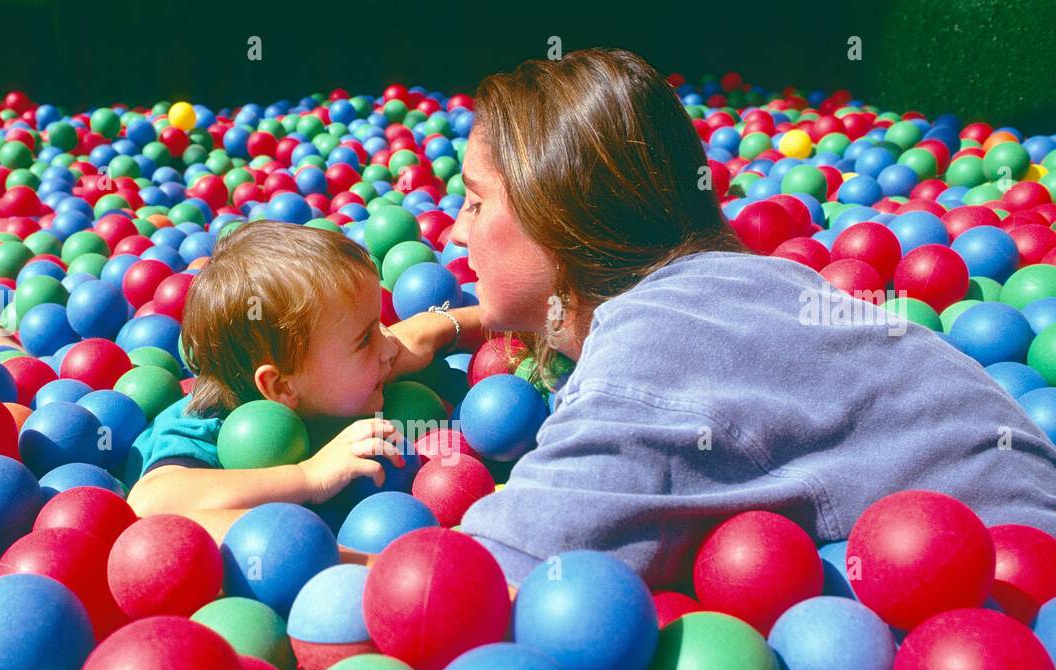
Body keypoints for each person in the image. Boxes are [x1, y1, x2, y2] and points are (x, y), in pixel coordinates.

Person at [448, 47, 1056, 587]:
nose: (454, 232)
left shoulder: (648, 364)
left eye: (475, 203)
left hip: (1011, 600)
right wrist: (448, 325)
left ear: (561, 215)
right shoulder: (749, 282)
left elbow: (471, 586)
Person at [124, 220, 484, 515]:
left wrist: (479, 321)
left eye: (380, 326)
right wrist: (309, 476)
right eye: (364, 339)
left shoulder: (355, 367)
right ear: (281, 388)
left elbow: (423, 334)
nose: (388, 346)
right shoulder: (202, 427)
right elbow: (150, 501)